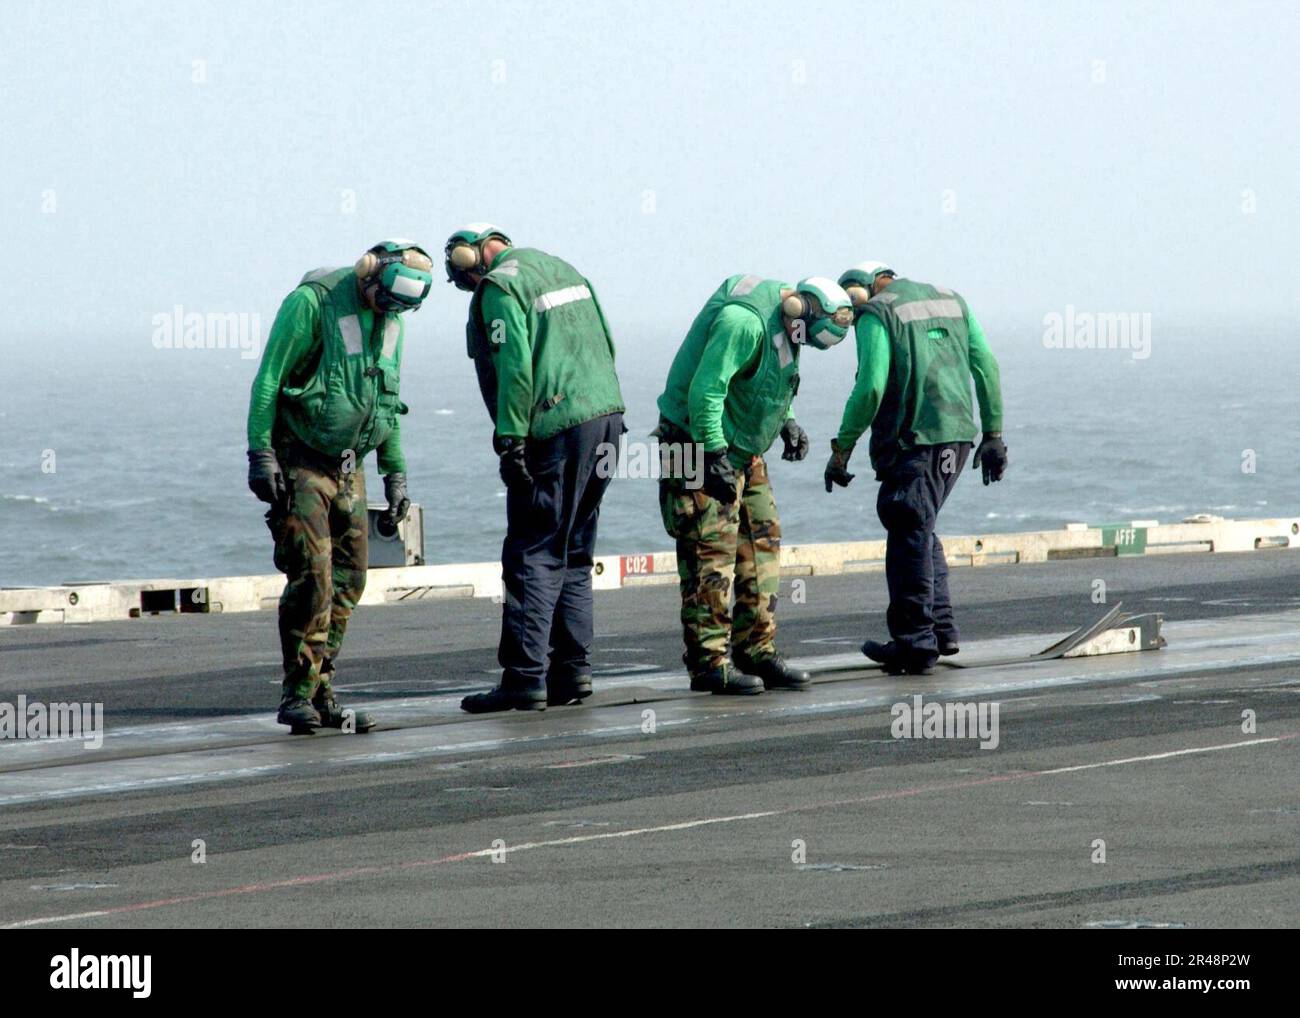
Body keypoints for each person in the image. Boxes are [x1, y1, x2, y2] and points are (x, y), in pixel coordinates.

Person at [247, 241, 432, 732]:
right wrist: (260, 453)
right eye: (385, 300)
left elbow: (387, 400)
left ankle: (321, 689)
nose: (390, 312)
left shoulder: (392, 319)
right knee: (313, 578)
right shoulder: (312, 303)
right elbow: (269, 378)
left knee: (351, 578)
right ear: (368, 276)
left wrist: (396, 476)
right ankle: (296, 695)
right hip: (301, 457)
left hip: (350, 465)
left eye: (400, 307)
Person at [445, 224, 626, 713]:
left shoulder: (500, 287)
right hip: (606, 418)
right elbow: (607, 342)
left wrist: (510, 441)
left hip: (557, 428)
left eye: (463, 278)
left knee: (534, 548)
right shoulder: (563, 268)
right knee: (575, 549)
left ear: (474, 258)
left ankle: (525, 678)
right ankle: (573, 672)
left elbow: (515, 366)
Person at [655, 274, 853, 694]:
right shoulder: (742, 322)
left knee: (762, 542)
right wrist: (712, 453)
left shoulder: (788, 320)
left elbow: (774, 372)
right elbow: (706, 390)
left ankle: (755, 650)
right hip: (696, 444)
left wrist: (788, 420)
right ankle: (709, 662)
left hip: (742, 449)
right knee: (711, 551)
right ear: (800, 309)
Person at [825, 261, 1007, 675]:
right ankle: (941, 631)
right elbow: (986, 365)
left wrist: (842, 449)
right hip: (958, 437)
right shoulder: (952, 300)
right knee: (921, 524)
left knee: (906, 524)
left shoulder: (876, 312)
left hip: (914, 440)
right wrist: (993, 434)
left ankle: (914, 643)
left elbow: (870, 385)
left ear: (858, 292)